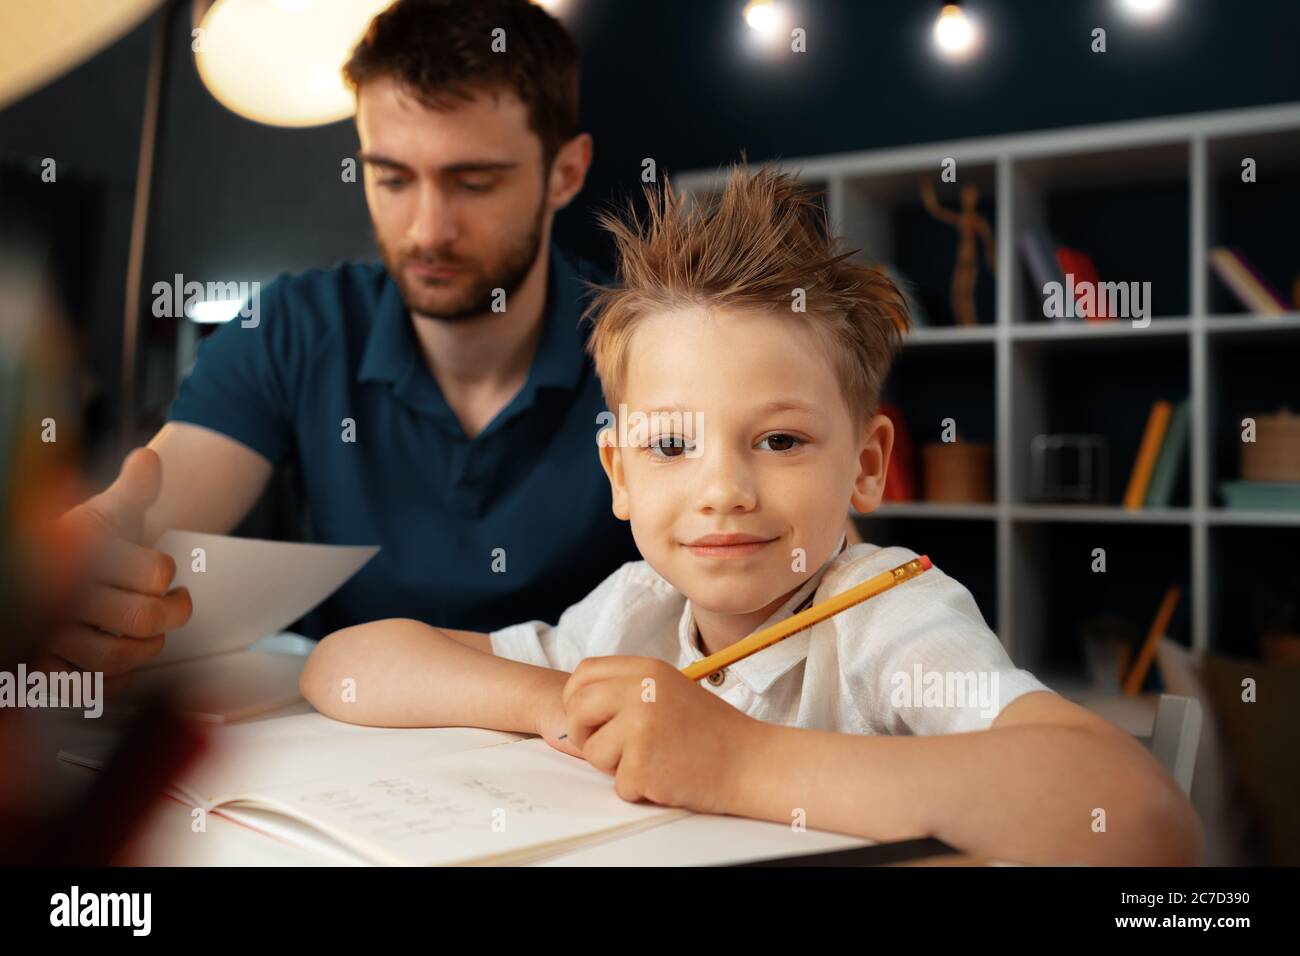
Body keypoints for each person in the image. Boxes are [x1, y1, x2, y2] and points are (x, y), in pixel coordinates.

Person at [299, 165, 1203, 866]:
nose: (723, 489)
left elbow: (1141, 817)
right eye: (669, 447)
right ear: (618, 472)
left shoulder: (890, 613)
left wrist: (737, 761)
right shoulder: (633, 608)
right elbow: (345, 668)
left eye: (779, 442)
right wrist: (562, 704)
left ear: (868, 465)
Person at [50, 0, 647, 677]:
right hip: (337, 742)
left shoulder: (646, 347)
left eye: (474, 181)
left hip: (580, 751)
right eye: (391, 178)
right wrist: (91, 567)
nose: (426, 229)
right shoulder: (293, 327)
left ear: (565, 173)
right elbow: (161, 501)